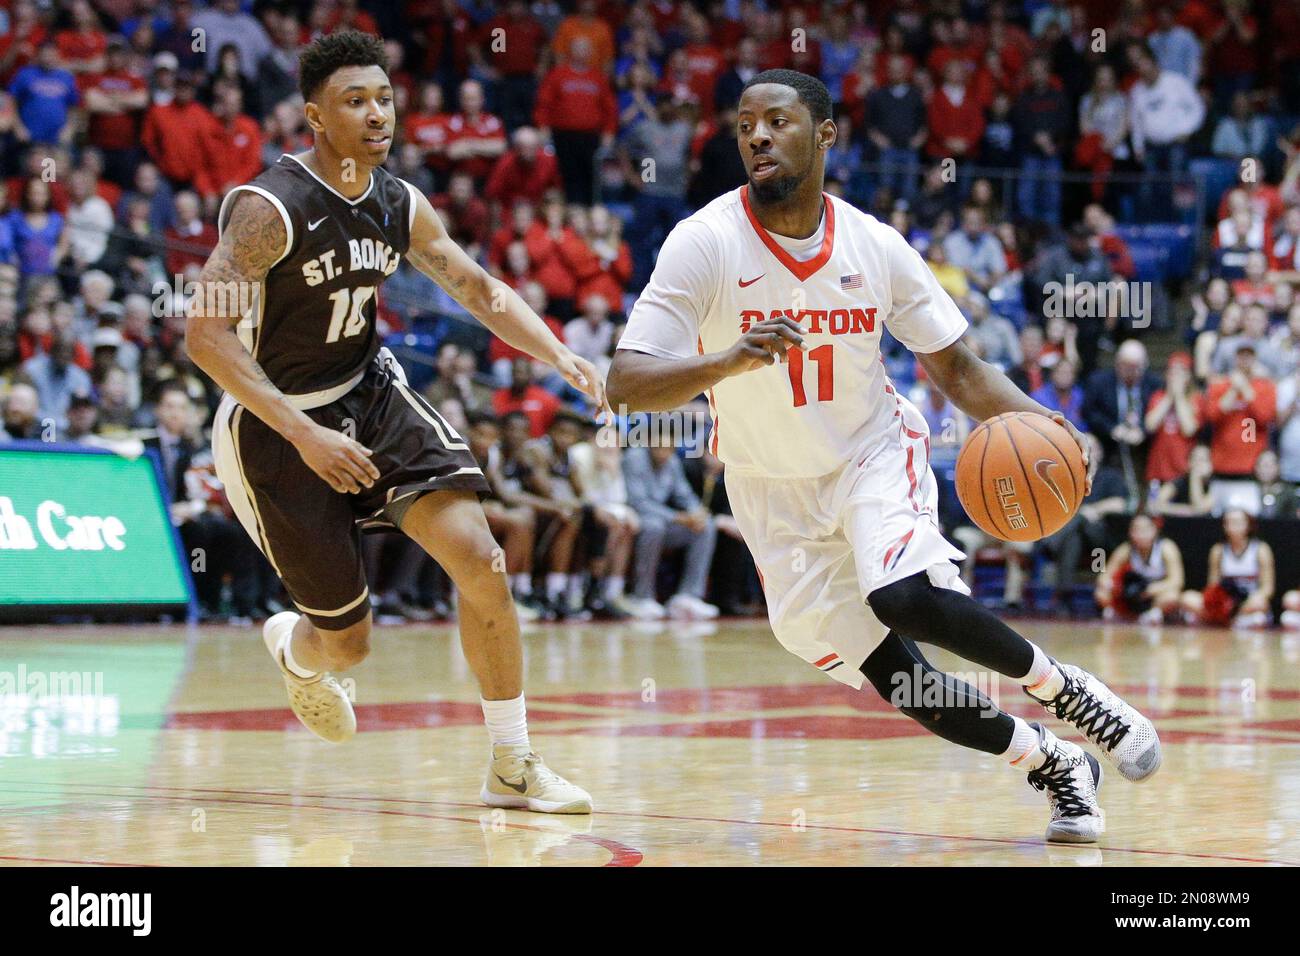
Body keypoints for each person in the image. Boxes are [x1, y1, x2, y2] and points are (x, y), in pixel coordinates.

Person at [607, 70, 1161, 845]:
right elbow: (625, 384)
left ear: (826, 134)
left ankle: (1067, 690)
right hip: (770, 492)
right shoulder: (703, 243)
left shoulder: (874, 246)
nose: (757, 136)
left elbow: (961, 371)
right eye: (744, 126)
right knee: (898, 676)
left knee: (899, 592)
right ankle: (1053, 763)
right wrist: (725, 362)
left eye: (777, 121)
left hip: (871, 453)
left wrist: (1050, 423)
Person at [185, 32, 600, 814]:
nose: (377, 114)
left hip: (369, 394)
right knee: (350, 642)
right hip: (276, 424)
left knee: (482, 560)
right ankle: (298, 654)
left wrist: (559, 354)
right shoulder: (267, 209)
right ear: (314, 115)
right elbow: (203, 337)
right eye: (355, 101)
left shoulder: (398, 200)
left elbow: (475, 287)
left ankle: (512, 763)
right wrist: (306, 436)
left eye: (384, 98)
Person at [1181, 508, 1274, 630]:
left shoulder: (1260, 549)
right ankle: (1227, 620)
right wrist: (1219, 603)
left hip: (1247, 601)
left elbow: (1268, 588)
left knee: (1260, 603)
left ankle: (1235, 620)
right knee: (1187, 598)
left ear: (1248, 525)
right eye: (1229, 522)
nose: (1233, 526)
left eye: (1238, 522)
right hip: (1225, 601)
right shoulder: (1218, 550)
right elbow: (1212, 585)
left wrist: (1245, 604)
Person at [1095, 514, 1185, 626]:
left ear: (1155, 530)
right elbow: (1103, 577)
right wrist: (1118, 587)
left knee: (1172, 597)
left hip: (1154, 595)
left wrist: (1150, 590)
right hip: (1131, 596)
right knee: (1101, 594)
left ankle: (1152, 615)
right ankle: (1119, 614)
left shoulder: (1167, 548)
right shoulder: (1125, 550)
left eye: (1145, 529)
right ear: (1130, 532)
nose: (1141, 534)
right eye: (1136, 529)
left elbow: (1177, 581)